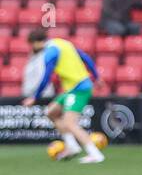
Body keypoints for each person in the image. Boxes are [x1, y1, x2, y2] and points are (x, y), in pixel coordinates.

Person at [21, 28, 105, 164]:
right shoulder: (62, 43)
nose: (31, 49)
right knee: (51, 112)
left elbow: (46, 77)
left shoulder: (49, 53)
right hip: (72, 89)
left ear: (36, 43)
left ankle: (95, 154)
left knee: (70, 123)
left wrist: (35, 97)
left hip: (78, 88)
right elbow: (85, 57)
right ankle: (72, 147)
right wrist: (96, 76)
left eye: (31, 45)